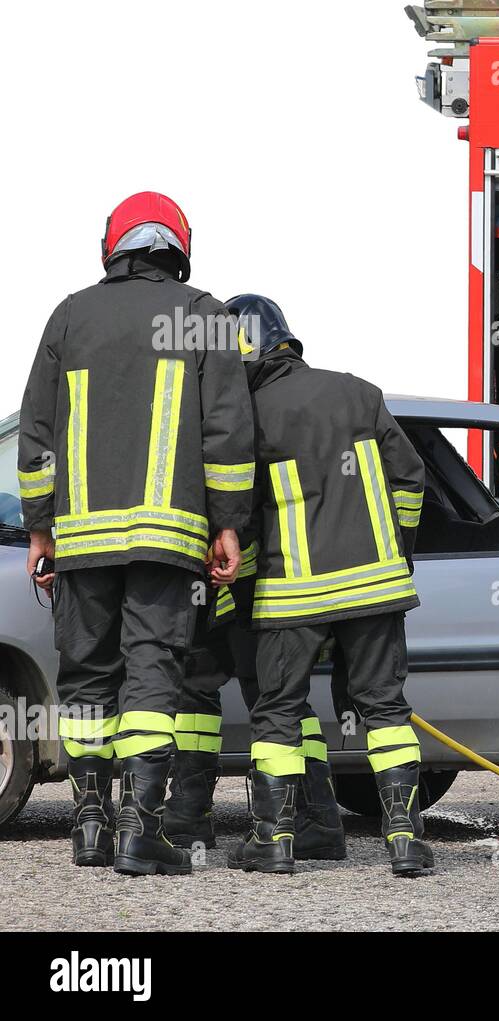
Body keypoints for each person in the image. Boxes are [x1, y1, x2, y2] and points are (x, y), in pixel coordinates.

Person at [18, 192, 253, 874]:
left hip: (81, 542)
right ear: (178, 248)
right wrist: (229, 525)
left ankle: (89, 823)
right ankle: (140, 830)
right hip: (168, 540)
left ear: (111, 248)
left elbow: (37, 434)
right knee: (153, 671)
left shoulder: (69, 316)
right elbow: (228, 434)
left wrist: (41, 530)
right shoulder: (206, 317)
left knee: (87, 672)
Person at [223, 294, 431, 876]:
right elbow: (410, 483)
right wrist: (397, 560)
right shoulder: (359, 392)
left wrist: (238, 597)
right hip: (377, 588)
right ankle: (405, 841)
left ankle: (275, 840)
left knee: (277, 713)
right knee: (385, 709)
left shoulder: (250, 416)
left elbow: (239, 517)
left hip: (292, 594)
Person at [164, 525, 347, 861]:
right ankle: (188, 811)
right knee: (198, 681)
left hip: (256, 573)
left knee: (272, 692)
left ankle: (315, 819)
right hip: (213, 575)